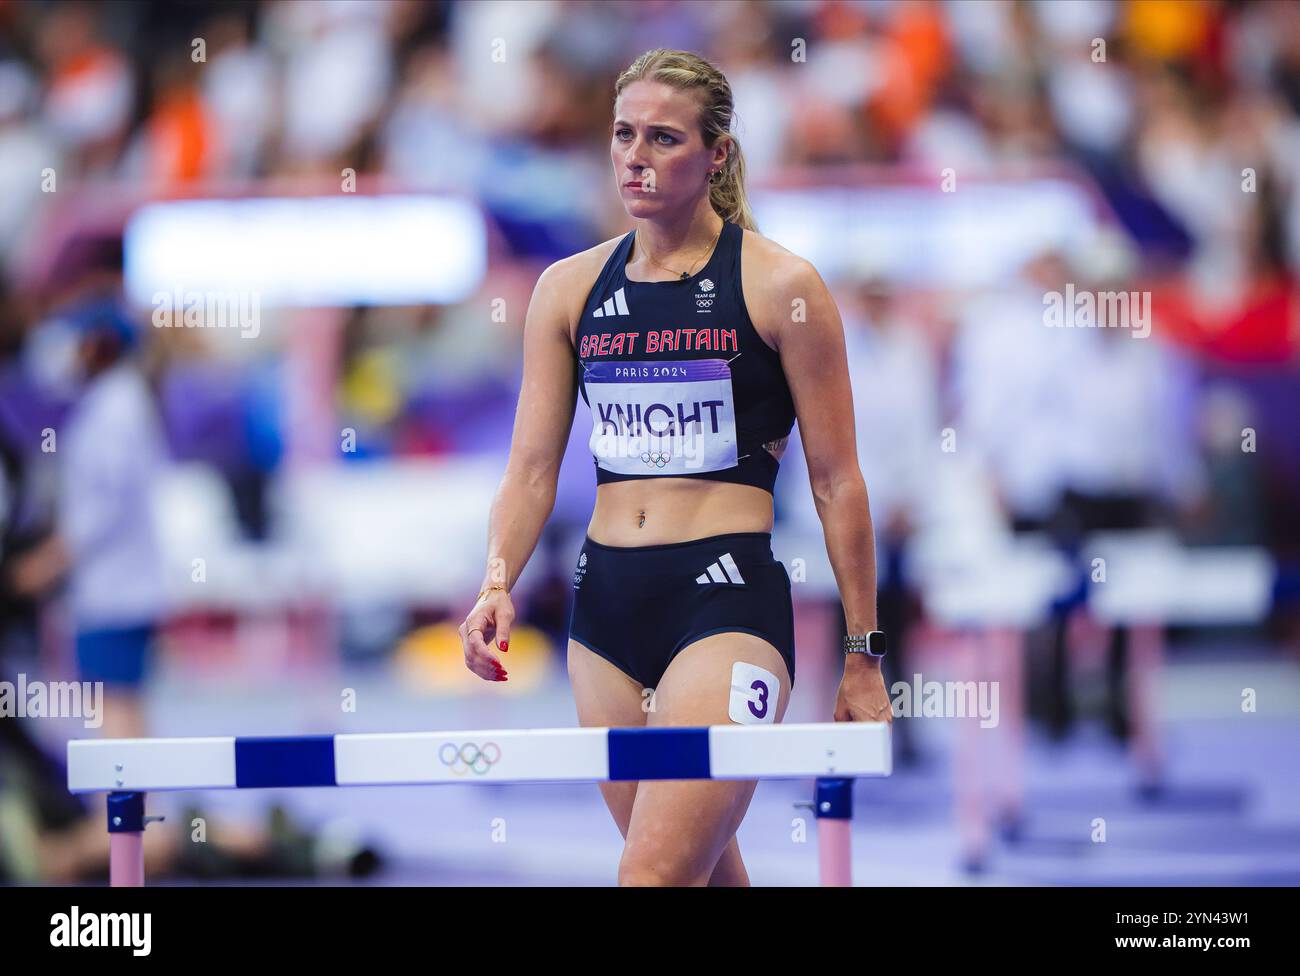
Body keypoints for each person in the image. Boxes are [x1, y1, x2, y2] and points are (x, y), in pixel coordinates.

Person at [457, 48, 890, 887]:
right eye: (623, 136)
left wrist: (864, 652)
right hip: (606, 612)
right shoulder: (567, 290)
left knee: (649, 878)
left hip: (725, 605)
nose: (635, 157)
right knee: (698, 877)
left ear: (716, 155)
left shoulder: (782, 288)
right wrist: (497, 580)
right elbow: (531, 470)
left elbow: (838, 482)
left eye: (663, 138)